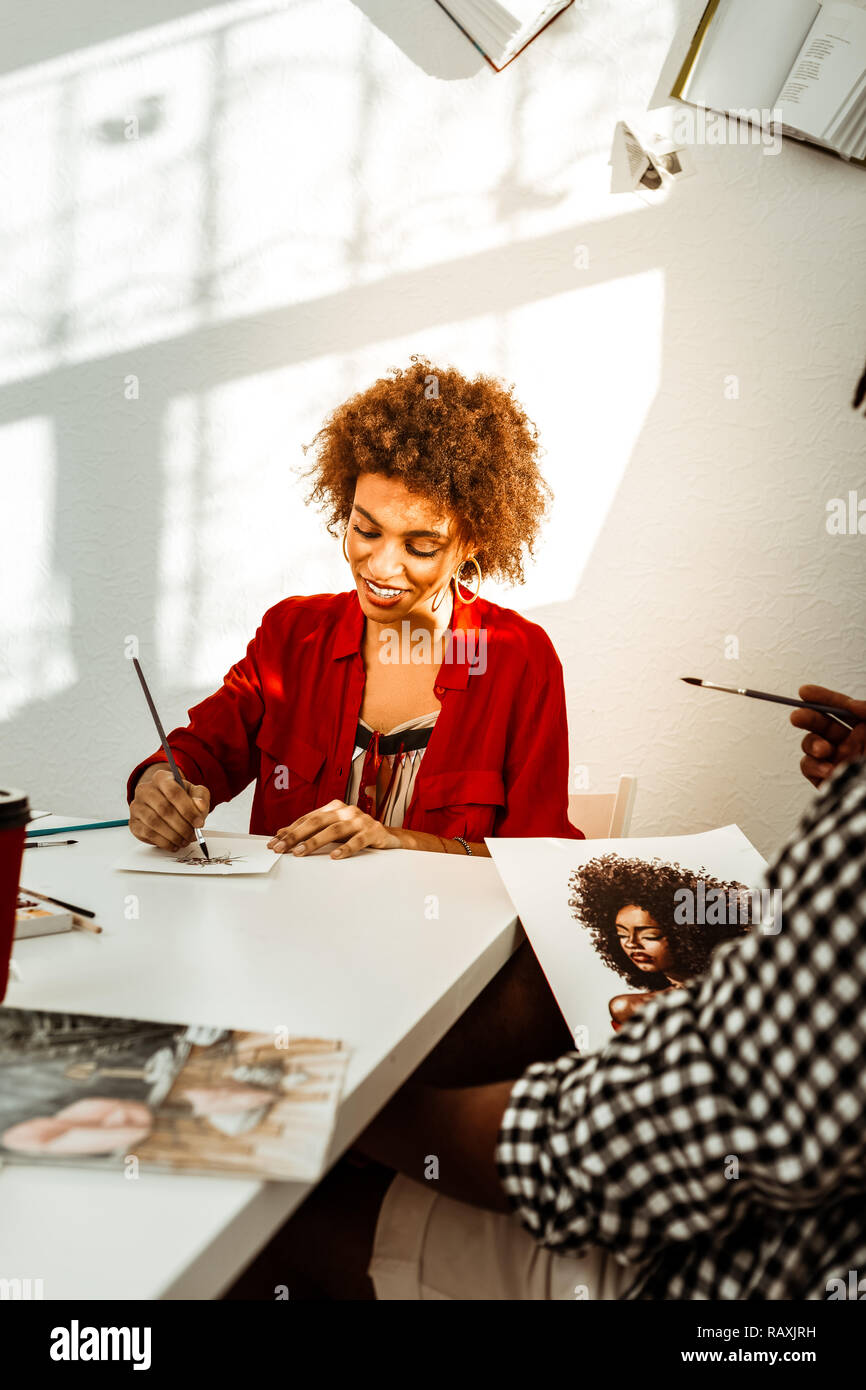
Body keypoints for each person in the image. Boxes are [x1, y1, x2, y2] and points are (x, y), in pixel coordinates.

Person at [244, 703, 866, 1301]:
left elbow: (593, 1150)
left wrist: (335, 1104)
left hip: (725, 1269)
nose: (637, 949)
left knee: (269, 1219)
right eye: (624, 939)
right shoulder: (296, 631)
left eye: (647, 934)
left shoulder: (516, 652)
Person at [126, 356, 582, 860]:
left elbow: (541, 862)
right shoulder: (291, 634)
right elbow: (201, 752)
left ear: (471, 544)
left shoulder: (518, 658)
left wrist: (403, 842)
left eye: (420, 546)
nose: (381, 566)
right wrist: (160, 783)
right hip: (288, 931)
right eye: (366, 530)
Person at [567, 855, 750, 1031]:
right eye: (622, 934)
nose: (632, 943)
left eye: (650, 935)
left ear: (689, 934)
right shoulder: (632, 1007)